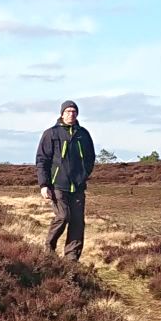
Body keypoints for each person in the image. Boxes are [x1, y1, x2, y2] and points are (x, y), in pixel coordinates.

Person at [35, 100, 95, 261]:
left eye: (74, 111)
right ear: (62, 113)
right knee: (63, 216)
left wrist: (84, 174)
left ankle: (72, 259)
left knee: (77, 223)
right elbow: (42, 160)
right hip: (57, 185)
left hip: (78, 186)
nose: (71, 114)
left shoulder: (83, 134)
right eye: (68, 111)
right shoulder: (51, 134)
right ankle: (49, 248)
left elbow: (90, 158)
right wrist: (44, 185)